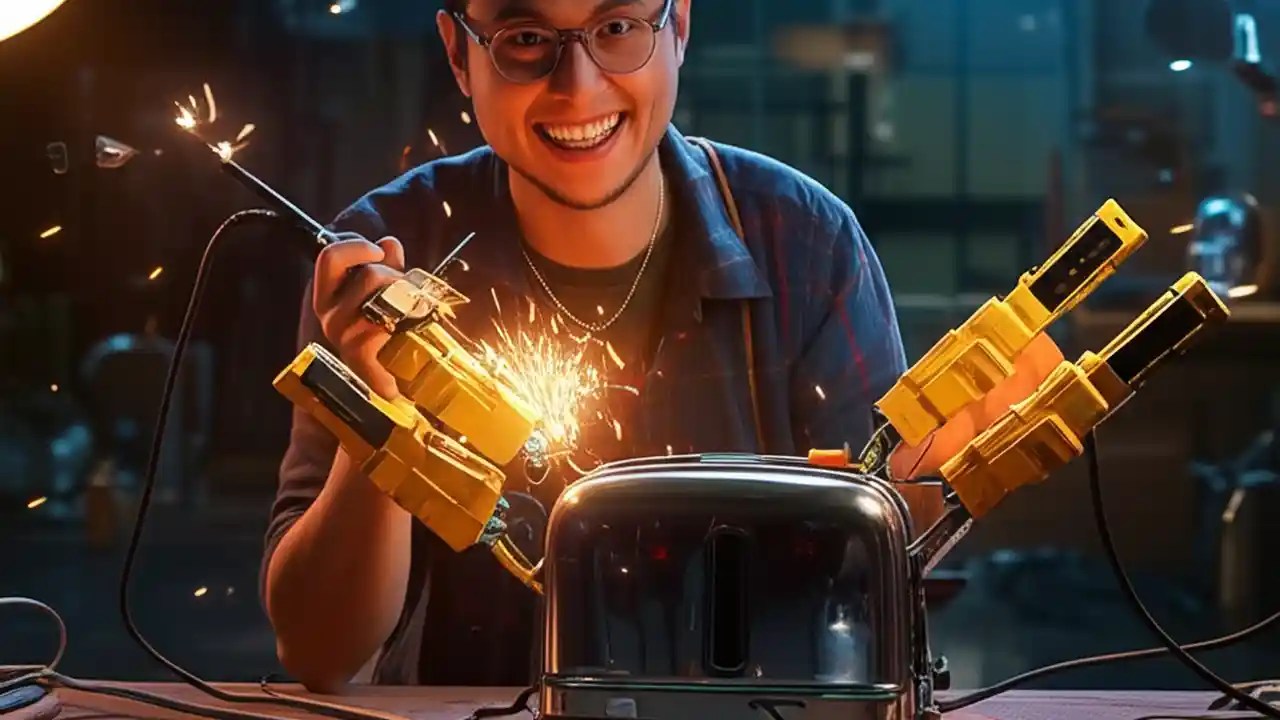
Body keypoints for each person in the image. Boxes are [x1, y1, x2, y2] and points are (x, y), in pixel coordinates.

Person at [261, 0, 1064, 693]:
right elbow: (324, 655)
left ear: (678, 25)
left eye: (616, 27)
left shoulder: (805, 243)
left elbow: (875, 576)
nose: (577, 86)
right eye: (525, 39)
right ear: (458, 54)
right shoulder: (387, 264)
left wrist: (948, 469)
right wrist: (380, 416)